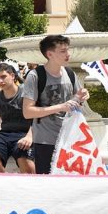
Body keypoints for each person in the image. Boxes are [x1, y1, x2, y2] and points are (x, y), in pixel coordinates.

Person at [22, 34, 90, 174]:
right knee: (48, 185)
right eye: (63, 51)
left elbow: (76, 101)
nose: (68, 54)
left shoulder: (70, 74)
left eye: (68, 50)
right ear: (49, 54)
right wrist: (61, 107)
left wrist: (82, 97)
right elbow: (27, 112)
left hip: (71, 139)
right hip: (46, 141)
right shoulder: (35, 76)